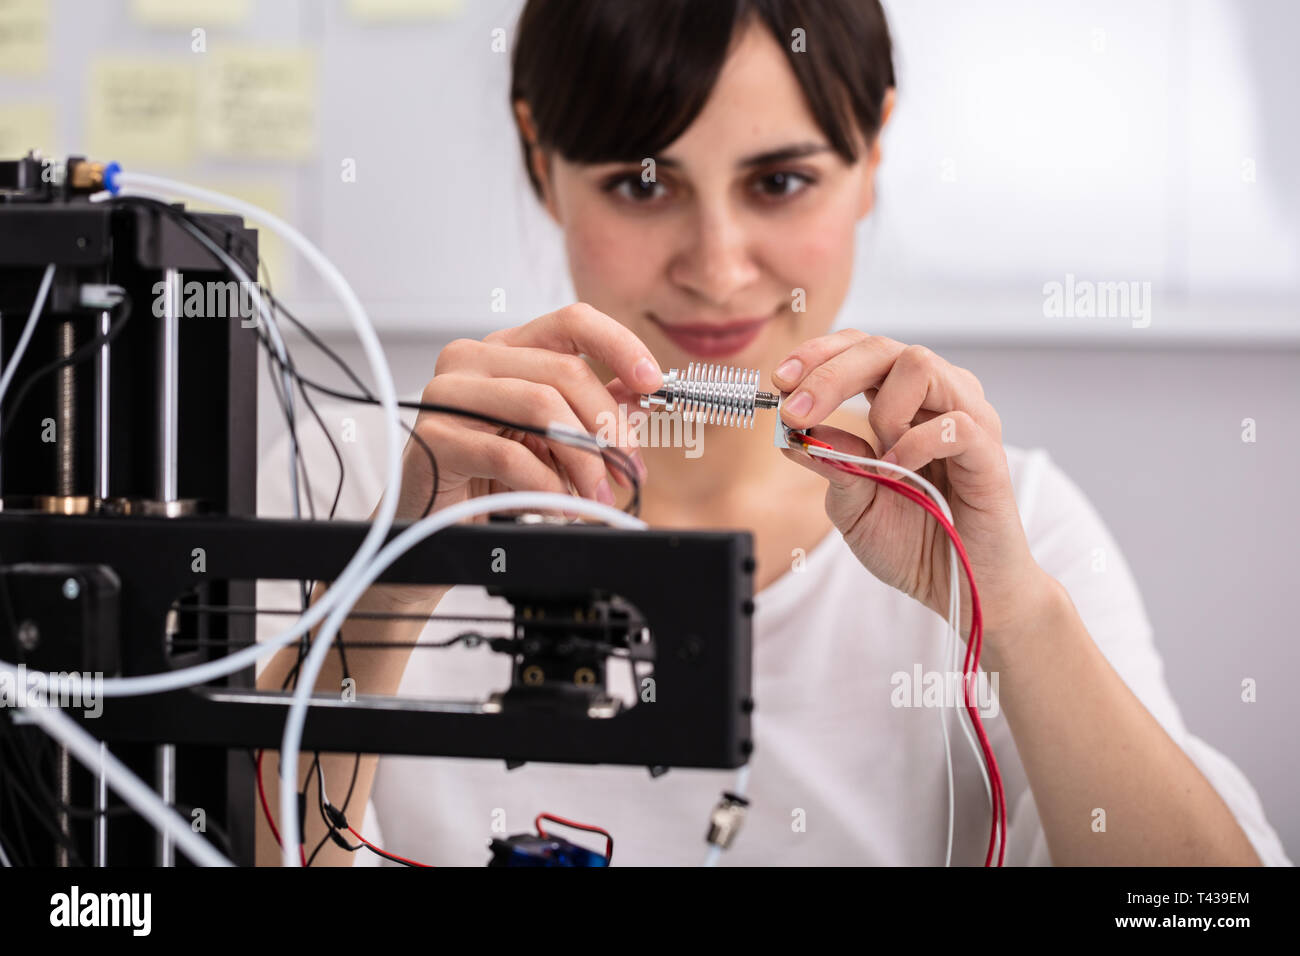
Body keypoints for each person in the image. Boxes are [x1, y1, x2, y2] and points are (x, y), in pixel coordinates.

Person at [255, 0, 1288, 866]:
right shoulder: (350, 479)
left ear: (872, 152)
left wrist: (1007, 610)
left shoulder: (1004, 526)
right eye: (641, 183)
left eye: (779, 181)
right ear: (539, 154)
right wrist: (387, 576)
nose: (715, 265)